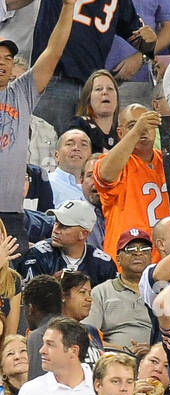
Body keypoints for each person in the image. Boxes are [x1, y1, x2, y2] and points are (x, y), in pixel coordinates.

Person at [0, 0, 76, 241]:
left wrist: (68, 5)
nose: (2, 62)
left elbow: (53, 51)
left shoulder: (20, 93)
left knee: (14, 278)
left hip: (12, 213)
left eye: (8, 57)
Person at [90, 105, 170, 259]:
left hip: (167, 261)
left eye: (148, 124)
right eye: (132, 125)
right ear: (120, 133)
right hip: (127, 262)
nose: (143, 129)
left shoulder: (169, 163)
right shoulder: (111, 162)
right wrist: (136, 131)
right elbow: (105, 176)